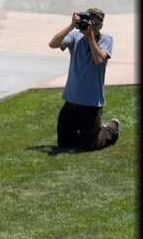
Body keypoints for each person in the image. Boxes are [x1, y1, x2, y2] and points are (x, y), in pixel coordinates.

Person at [48, 8, 119, 151]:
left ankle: (112, 128)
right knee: (64, 143)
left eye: (96, 23)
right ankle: (91, 131)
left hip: (91, 103)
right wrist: (71, 25)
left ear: (101, 25)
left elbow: (98, 59)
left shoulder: (106, 40)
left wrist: (90, 36)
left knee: (91, 145)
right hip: (71, 100)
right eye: (90, 21)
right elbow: (53, 44)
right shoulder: (75, 36)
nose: (92, 26)